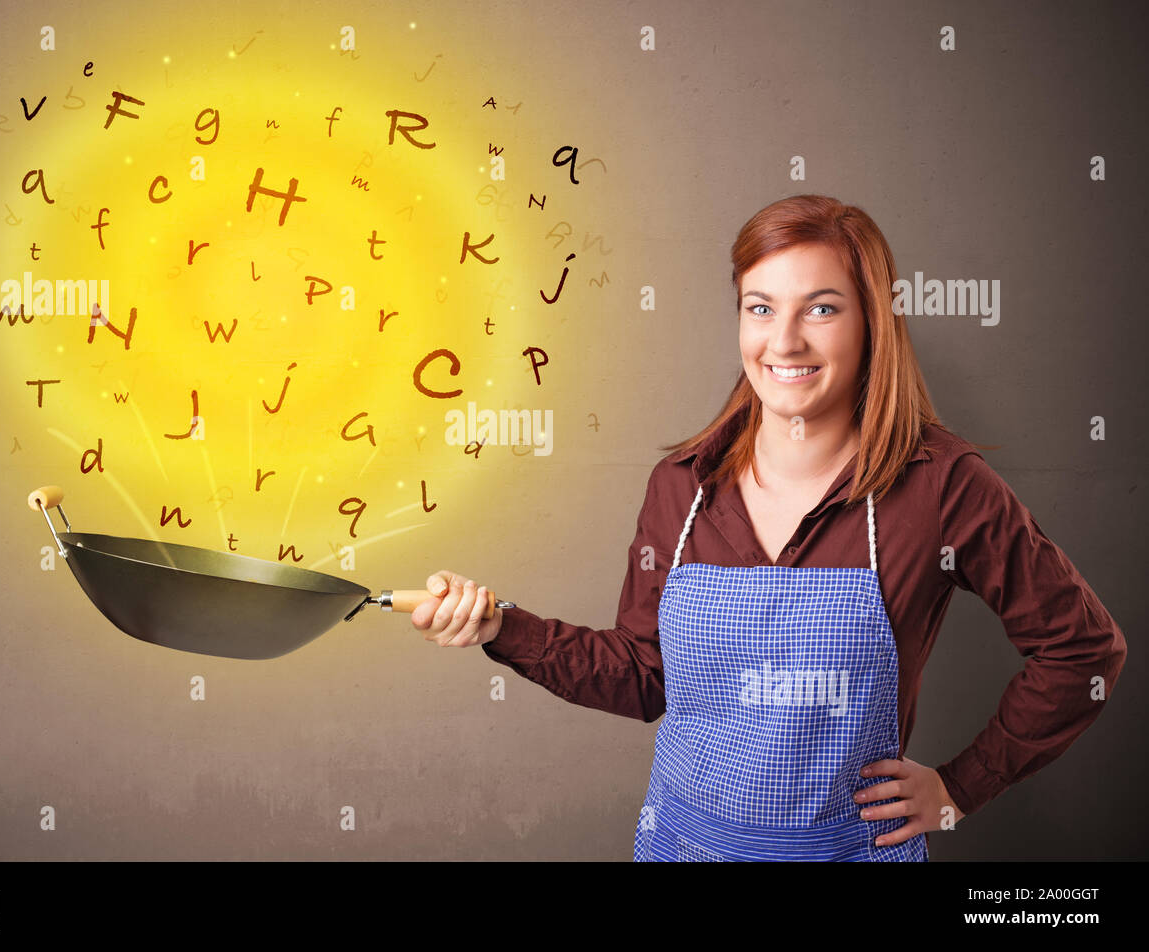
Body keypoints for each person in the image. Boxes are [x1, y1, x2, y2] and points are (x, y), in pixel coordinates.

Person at [408, 194, 1128, 861]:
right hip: (683, 845)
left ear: (873, 319)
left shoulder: (939, 484)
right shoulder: (683, 486)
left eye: (821, 309)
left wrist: (961, 787)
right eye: (760, 307)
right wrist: (500, 626)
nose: (783, 342)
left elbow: (1083, 650)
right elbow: (643, 677)